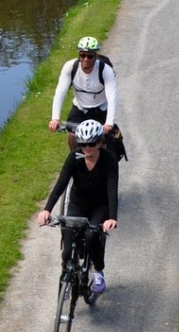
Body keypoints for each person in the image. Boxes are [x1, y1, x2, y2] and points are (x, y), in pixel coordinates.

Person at [36, 120, 119, 294]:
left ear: (99, 142)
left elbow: (112, 189)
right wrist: (47, 209)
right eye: (83, 144)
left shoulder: (109, 160)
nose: (87, 148)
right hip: (78, 204)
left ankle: (98, 271)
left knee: (91, 235)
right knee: (67, 248)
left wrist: (112, 217)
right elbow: (60, 185)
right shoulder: (74, 158)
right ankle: (66, 277)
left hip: (100, 206)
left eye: (91, 143)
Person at [49, 36, 118, 149]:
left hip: (101, 108)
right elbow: (60, 93)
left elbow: (112, 98)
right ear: (79, 55)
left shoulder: (105, 70)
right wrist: (55, 118)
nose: (86, 59)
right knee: (72, 135)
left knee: (103, 140)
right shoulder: (70, 67)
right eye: (82, 55)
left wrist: (109, 122)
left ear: (96, 56)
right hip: (80, 107)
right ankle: (75, 158)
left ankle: (104, 162)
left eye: (90, 56)